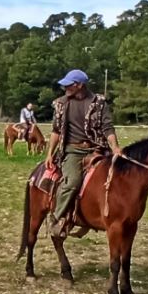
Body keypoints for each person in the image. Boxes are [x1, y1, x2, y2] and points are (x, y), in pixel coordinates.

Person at [44, 69, 122, 238]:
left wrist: (115, 147)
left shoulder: (98, 102)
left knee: (117, 177)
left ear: (79, 85)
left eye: (69, 85)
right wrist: (50, 153)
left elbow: (107, 127)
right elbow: (56, 131)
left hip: (97, 149)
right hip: (73, 150)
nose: (65, 88)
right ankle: (57, 217)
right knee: (72, 181)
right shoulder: (61, 104)